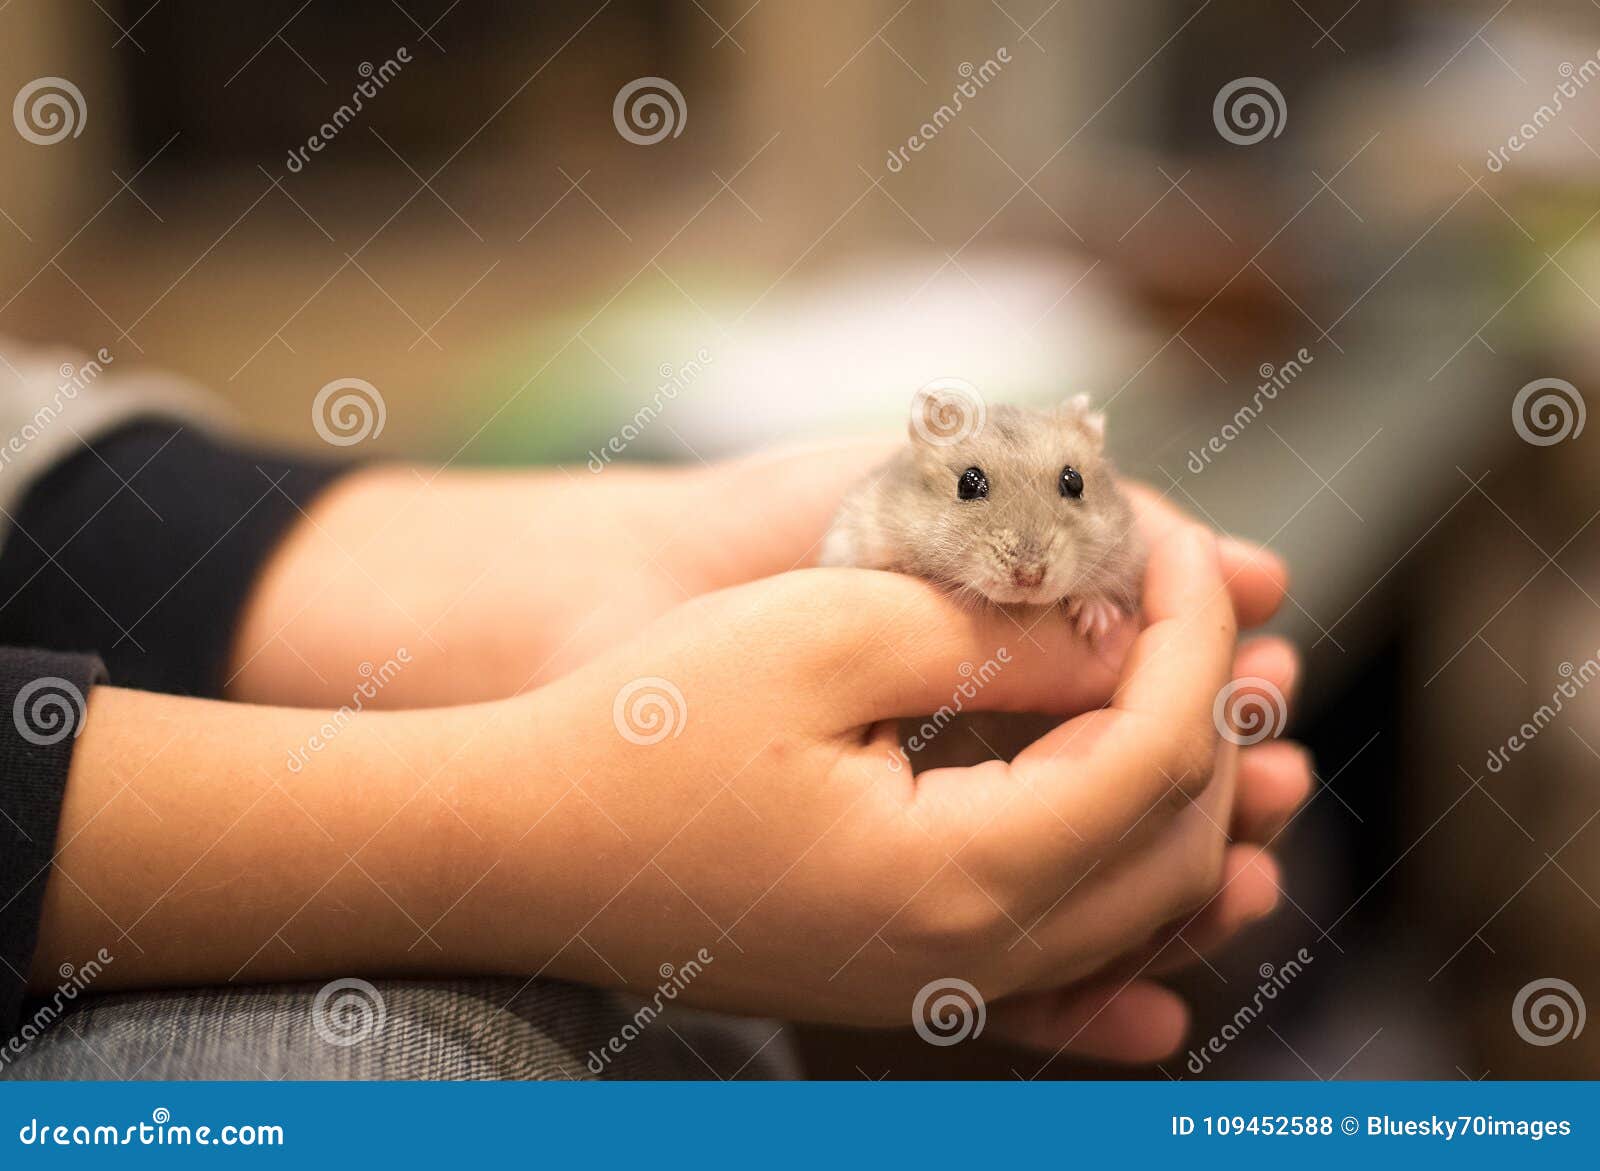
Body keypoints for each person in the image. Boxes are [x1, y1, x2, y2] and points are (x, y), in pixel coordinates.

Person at [0, 338, 1310, 1078]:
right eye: (977, 502)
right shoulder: (890, 522)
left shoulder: (1093, 522)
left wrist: (548, 563)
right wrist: (527, 833)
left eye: (1069, 506)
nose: (1028, 552)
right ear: (923, 468)